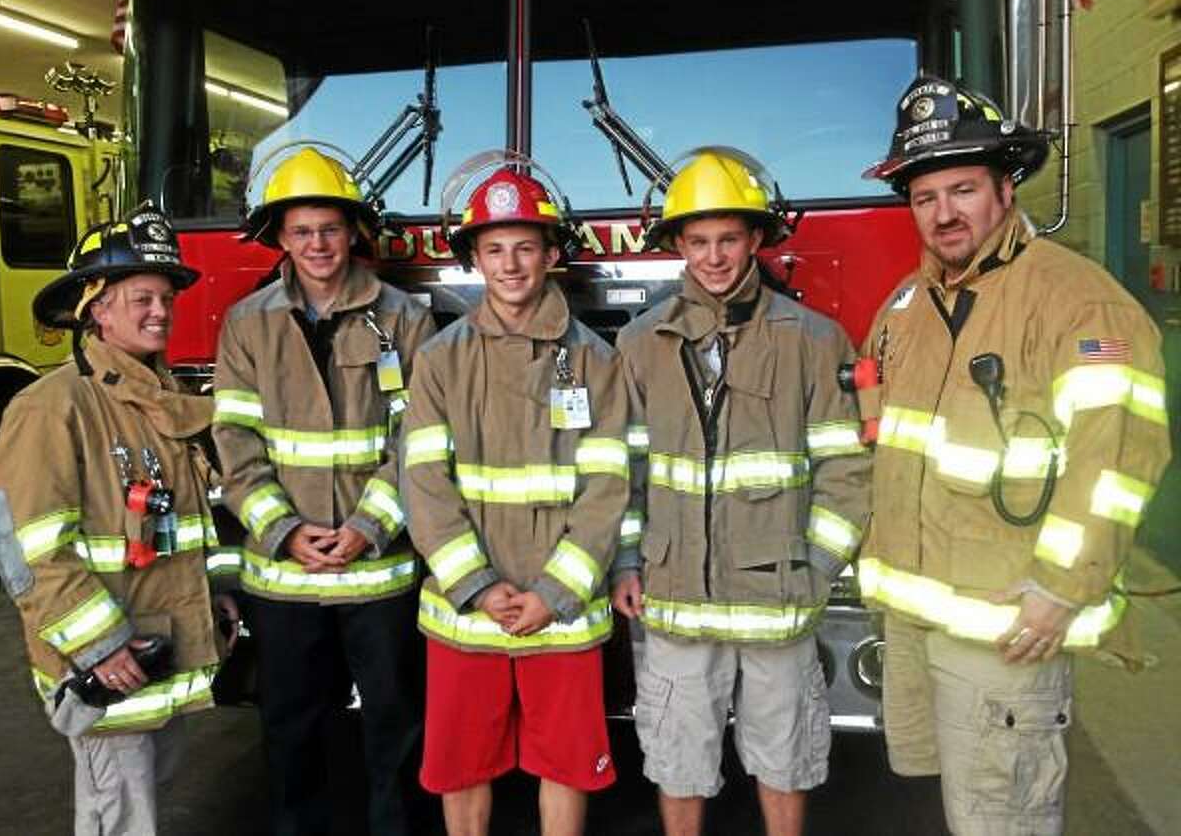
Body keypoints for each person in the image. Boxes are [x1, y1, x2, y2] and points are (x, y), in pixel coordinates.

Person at [858, 75, 1171, 835]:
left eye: (962, 189)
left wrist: (1061, 589)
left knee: (1004, 816)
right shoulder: (909, 304)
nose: (943, 214)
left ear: (1006, 187)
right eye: (925, 197)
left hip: (1006, 624)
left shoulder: (1076, 301)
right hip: (915, 611)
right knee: (960, 804)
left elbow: (1117, 457)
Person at [611, 148, 872, 836]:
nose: (715, 257)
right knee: (676, 758)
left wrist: (817, 568)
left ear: (756, 239)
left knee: (784, 758)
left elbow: (847, 471)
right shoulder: (640, 345)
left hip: (777, 600)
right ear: (677, 245)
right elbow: (623, 469)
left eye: (728, 238)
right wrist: (628, 562)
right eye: (698, 241)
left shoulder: (815, 341)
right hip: (674, 598)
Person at [0, 205, 238, 836]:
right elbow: (23, 545)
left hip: (159, 647)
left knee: (141, 804)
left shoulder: (161, 400)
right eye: (140, 298)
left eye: (166, 298)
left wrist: (217, 595)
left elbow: (183, 529)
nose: (160, 311)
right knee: (120, 818)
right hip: (107, 662)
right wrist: (99, 645)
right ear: (96, 308)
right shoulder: (53, 406)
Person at [400, 155, 629, 836]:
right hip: (467, 611)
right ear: (475, 258)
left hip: (562, 610)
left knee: (565, 766)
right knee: (462, 767)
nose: (509, 264)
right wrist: (475, 586)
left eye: (524, 247)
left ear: (551, 254)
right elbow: (423, 482)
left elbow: (608, 483)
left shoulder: (594, 359)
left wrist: (554, 592)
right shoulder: (439, 359)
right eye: (494, 248)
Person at [212, 147, 436, 835]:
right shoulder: (247, 324)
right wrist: (284, 532)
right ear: (280, 237)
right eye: (302, 231)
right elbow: (236, 445)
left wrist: (370, 524)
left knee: (396, 725)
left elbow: (422, 440)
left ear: (354, 233)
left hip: (379, 572)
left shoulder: (405, 318)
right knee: (291, 728)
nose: (317, 244)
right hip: (286, 577)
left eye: (330, 229)